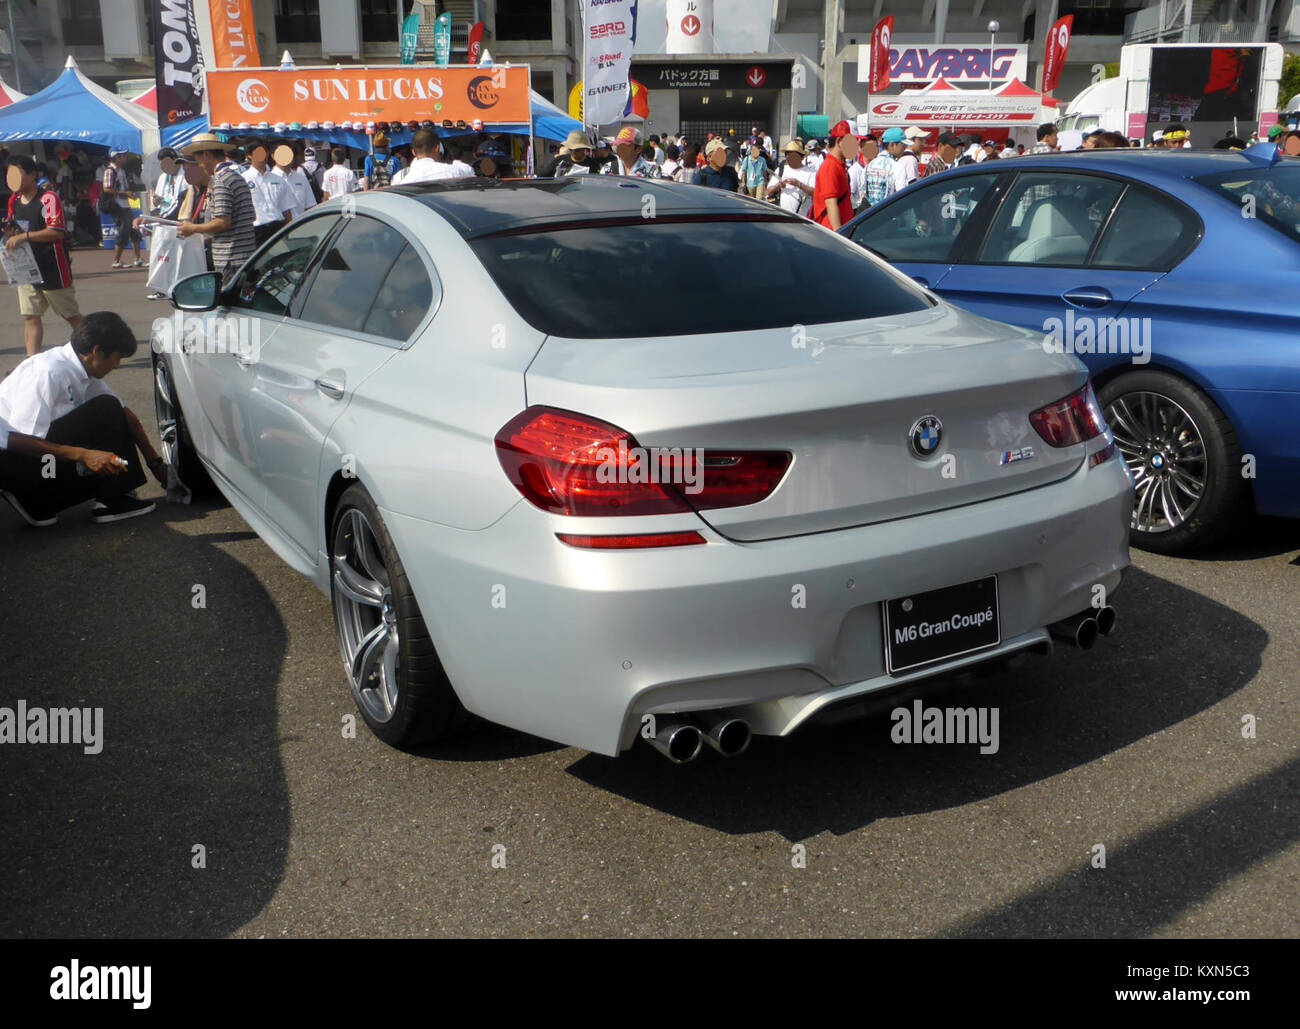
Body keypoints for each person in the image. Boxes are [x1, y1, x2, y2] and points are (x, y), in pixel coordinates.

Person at [0, 311, 163, 524]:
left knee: (110, 408)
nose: (117, 366)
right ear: (96, 351)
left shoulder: (82, 367)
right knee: (105, 409)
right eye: (117, 358)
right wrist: (83, 454)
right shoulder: (49, 372)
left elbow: (126, 416)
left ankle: (113, 495)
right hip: (13, 459)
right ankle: (30, 496)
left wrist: (156, 464)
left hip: (36, 458)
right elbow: (13, 439)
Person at [5, 155, 81, 357]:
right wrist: (10, 234)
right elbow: (14, 229)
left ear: (32, 175)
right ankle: (32, 362)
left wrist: (24, 237)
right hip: (26, 269)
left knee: (71, 315)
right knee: (30, 317)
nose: (13, 179)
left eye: (18, 174)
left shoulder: (48, 198)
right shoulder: (14, 200)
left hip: (52, 267)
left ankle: (94, 350)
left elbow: (57, 231)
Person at [177, 134, 257, 287]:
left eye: (197, 160)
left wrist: (192, 228)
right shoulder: (237, 178)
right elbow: (251, 215)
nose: (199, 165)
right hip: (245, 254)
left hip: (230, 258)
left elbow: (222, 222)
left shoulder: (220, 181)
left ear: (207, 155)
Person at [241, 140, 294, 246]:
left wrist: (290, 231)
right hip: (257, 230)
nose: (263, 156)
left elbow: (287, 210)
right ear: (249, 156)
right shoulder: (243, 180)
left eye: (265, 152)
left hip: (278, 227)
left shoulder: (278, 179)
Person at [812, 121, 857, 230]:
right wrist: (839, 234)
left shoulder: (838, 165)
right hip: (832, 233)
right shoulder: (831, 166)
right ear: (839, 141)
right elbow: (831, 204)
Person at [102, 150, 143, 269]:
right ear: (117, 158)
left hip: (125, 204)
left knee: (134, 231)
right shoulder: (110, 171)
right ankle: (116, 260)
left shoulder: (121, 171)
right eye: (123, 157)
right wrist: (124, 193)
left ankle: (138, 259)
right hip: (117, 205)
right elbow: (107, 189)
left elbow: (125, 187)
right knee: (124, 232)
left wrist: (129, 193)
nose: (125, 159)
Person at [766, 139, 815, 217]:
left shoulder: (811, 172)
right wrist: (779, 185)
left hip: (804, 219)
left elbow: (815, 193)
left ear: (802, 157)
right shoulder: (781, 169)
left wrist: (799, 184)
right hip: (783, 218)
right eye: (788, 154)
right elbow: (768, 191)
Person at [394, 129, 458, 184]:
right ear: (437, 148)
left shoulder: (399, 177)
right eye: (440, 154)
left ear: (413, 152)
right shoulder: (455, 171)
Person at [865, 127, 904, 207]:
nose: (904, 148)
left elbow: (862, 191)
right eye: (903, 145)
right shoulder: (897, 167)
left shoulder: (869, 165)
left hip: (868, 215)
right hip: (888, 216)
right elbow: (903, 198)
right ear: (892, 145)